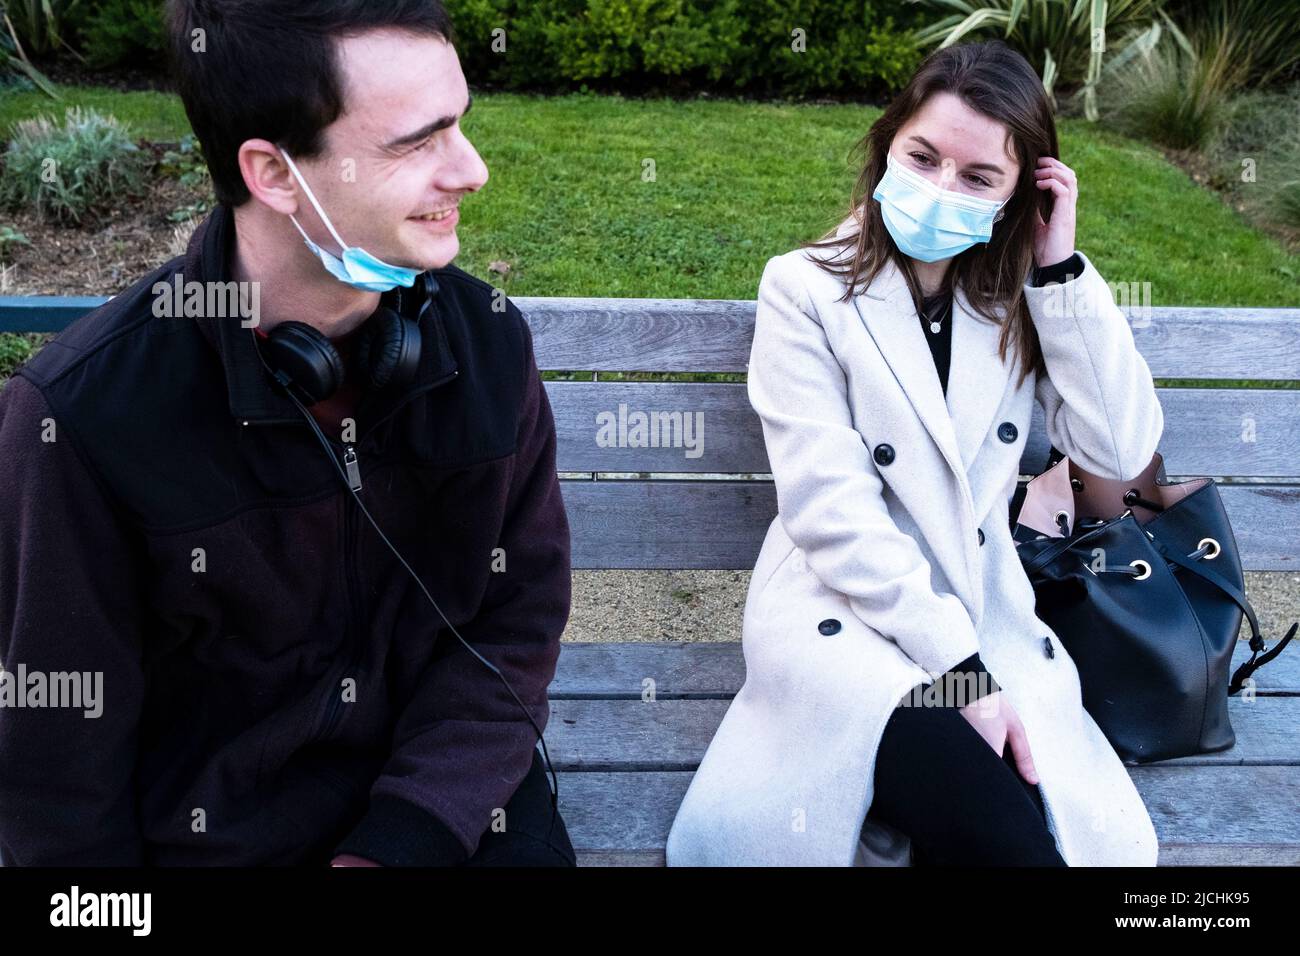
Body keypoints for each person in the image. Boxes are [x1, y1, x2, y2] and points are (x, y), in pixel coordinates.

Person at [0, 0, 575, 867]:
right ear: (272, 173)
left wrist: (406, 835)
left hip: (448, 813)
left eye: (460, 124)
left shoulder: (486, 342)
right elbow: (60, 780)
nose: (472, 169)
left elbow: (514, 624)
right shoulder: (82, 419)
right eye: (417, 141)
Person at [665, 40, 1164, 867]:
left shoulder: (1017, 300)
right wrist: (966, 677)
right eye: (922, 157)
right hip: (846, 619)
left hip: (984, 614)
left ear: (1018, 196)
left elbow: (1117, 448)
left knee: (1029, 824)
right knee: (1004, 839)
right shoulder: (805, 288)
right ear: (887, 145)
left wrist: (1061, 270)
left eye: (978, 178)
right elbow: (833, 513)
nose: (939, 190)